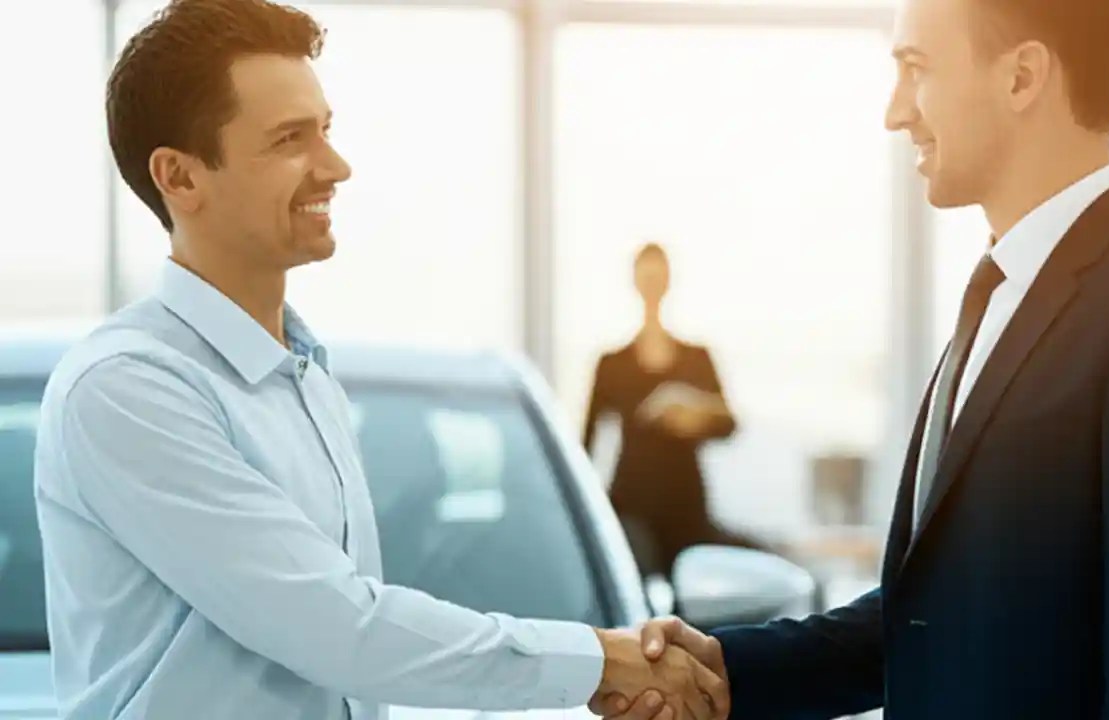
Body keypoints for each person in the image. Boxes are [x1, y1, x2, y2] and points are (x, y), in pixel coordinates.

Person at [32, 2, 727, 719]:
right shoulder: (127, 387)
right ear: (179, 178)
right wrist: (596, 660)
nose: (335, 166)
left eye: (325, 130)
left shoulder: (307, 379)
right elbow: (336, 628)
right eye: (289, 139)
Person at [594, 0, 1109, 717]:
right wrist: (726, 669)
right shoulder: (1005, 297)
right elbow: (938, 615)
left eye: (916, 69)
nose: (895, 113)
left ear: (1022, 78)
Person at [584, 243, 765, 579]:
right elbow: (587, 444)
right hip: (632, 507)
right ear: (635, 281)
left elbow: (729, 424)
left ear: (669, 281)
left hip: (686, 506)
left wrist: (694, 411)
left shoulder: (697, 358)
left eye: (659, 275)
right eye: (646, 275)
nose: (652, 284)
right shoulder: (612, 364)